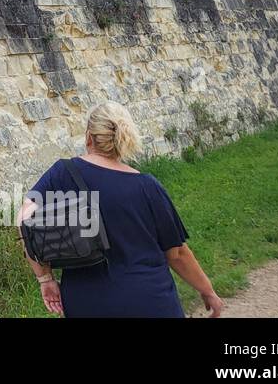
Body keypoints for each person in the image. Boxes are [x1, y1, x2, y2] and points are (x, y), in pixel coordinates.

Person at [20, 101, 224, 318]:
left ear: (89, 137)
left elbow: (24, 218)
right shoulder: (147, 186)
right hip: (150, 301)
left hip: (87, 303)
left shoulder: (62, 173)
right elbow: (177, 254)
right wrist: (207, 291)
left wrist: (45, 279)